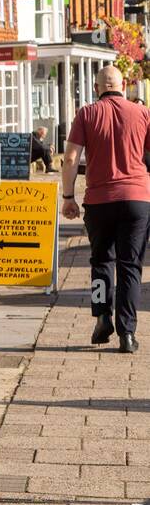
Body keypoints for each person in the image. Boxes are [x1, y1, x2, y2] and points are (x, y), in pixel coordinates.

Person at [60, 65, 150, 353]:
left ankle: (102, 317)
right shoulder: (142, 113)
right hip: (137, 198)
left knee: (101, 262)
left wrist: (68, 196)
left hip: (99, 201)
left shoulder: (86, 113)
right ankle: (127, 333)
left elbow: (71, 157)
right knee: (130, 267)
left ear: (97, 88)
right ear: (123, 85)